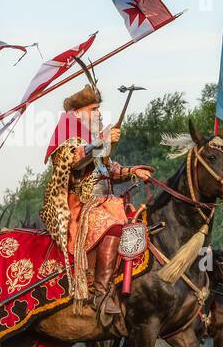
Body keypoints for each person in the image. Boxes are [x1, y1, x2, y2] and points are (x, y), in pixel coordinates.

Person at [39, 80, 153, 316]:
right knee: (114, 228)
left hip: (106, 203)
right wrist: (102, 141)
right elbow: (76, 161)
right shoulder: (66, 139)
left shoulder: (94, 142)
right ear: (77, 113)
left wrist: (132, 171)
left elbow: (109, 169)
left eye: (98, 109)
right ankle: (101, 293)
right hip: (79, 208)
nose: (98, 114)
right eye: (93, 110)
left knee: (138, 223)